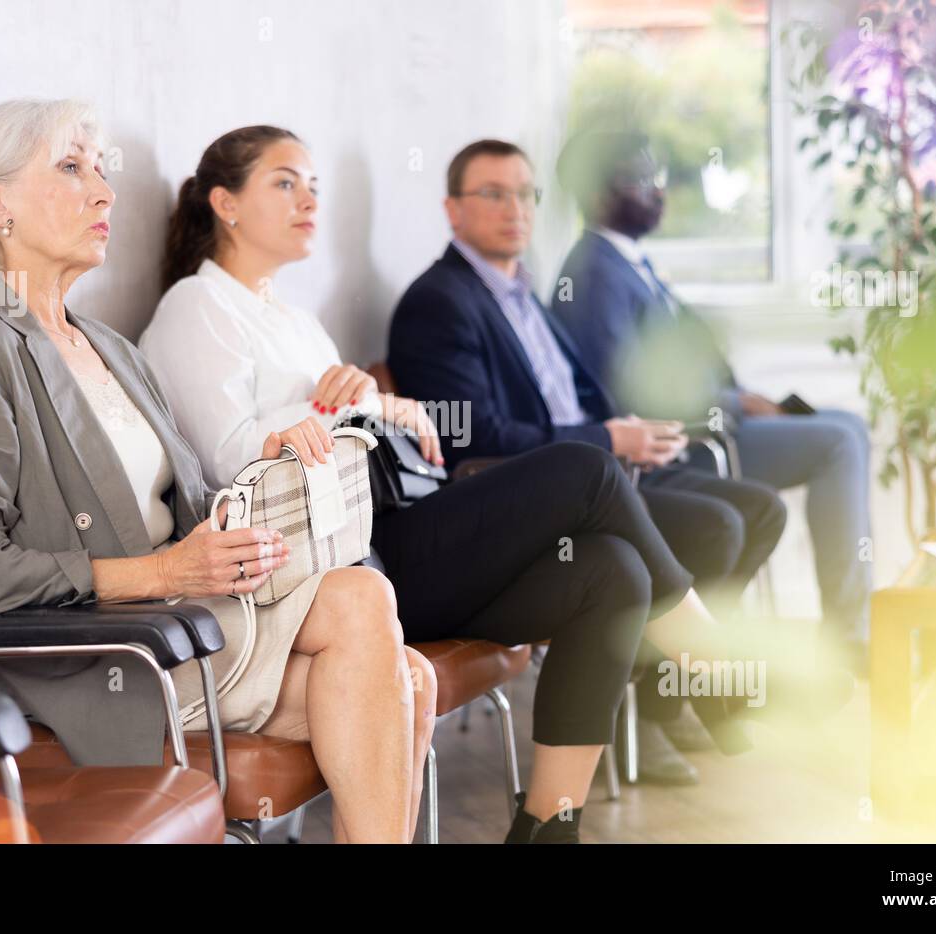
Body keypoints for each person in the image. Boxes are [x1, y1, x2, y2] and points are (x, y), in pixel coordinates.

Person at [140, 126, 778, 839]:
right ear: (225, 204)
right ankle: (714, 668)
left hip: (387, 527)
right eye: (285, 184)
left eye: (315, 185)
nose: (309, 201)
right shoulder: (195, 309)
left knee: (612, 571)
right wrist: (334, 407)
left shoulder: (293, 318)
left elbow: (389, 442)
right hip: (337, 579)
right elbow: (226, 463)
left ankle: (547, 827)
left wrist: (388, 409)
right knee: (588, 467)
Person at [0, 99, 431, 843]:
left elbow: (189, 512)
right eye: (70, 167)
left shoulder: (108, 346)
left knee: (411, 673)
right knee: (363, 602)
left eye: (98, 168)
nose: (104, 190)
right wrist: (163, 576)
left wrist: (262, 491)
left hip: (184, 623)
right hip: (102, 654)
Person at [388, 139, 791, 783]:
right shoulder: (438, 302)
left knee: (758, 509)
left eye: (525, 193)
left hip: (596, 478)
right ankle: (673, 701)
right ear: (452, 210)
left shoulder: (528, 296)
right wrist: (606, 440)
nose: (514, 207)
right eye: (493, 193)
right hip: (527, 502)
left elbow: (580, 398)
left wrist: (631, 437)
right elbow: (470, 436)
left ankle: (674, 693)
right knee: (712, 528)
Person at [551, 129, 872, 669]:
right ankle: (847, 636)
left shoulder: (632, 263)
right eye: (640, 179)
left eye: (658, 179)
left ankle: (848, 626)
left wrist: (744, 393)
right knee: (838, 442)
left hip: (721, 413)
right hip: (693, 437)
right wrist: (735, 402)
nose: (658, 192)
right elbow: (631, 389)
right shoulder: (593, 274)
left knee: (850, 425)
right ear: (597, 191)